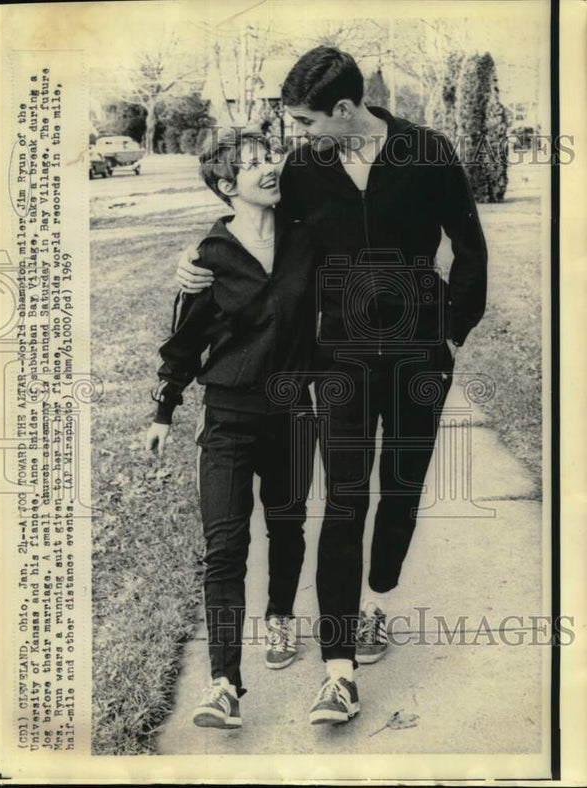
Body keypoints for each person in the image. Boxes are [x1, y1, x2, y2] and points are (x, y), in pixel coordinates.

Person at [176, 47, 488, 726]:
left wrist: (450, 333)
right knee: (345, 501)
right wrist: (194, 261)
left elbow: (470, 247)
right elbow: (251, 227)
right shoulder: (306, 170)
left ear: (345, 110)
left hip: (417, 361)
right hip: (340, 361)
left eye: (306, 120)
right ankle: (338, 670)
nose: (298, 134)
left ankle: (377, 601)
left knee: (400, 489)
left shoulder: (428, 153)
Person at [147, 127, 318, 729]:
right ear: (227, 186)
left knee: (287, 525)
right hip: (228, 419)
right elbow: (185, 338)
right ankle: (223, 683)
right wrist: (165, 408)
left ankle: (278, 617)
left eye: (269, 157)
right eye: (252, 165)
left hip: (295, 415)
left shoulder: (305, 236)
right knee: (224, 548)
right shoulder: (210, 257)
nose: (269, 168)